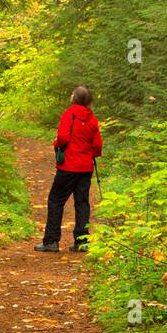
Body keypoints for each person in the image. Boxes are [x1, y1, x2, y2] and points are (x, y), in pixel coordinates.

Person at [35, 86, 103, 253]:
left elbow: (63, 138)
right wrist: (87, 152)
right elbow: (97, 146)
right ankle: (82, 242)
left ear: (75, 98)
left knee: (56, 200)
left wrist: (57, 144)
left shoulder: (69, 114)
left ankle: (51, 241)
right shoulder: (92, 119)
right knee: (82, 203)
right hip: (86, 167)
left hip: (68, 167)